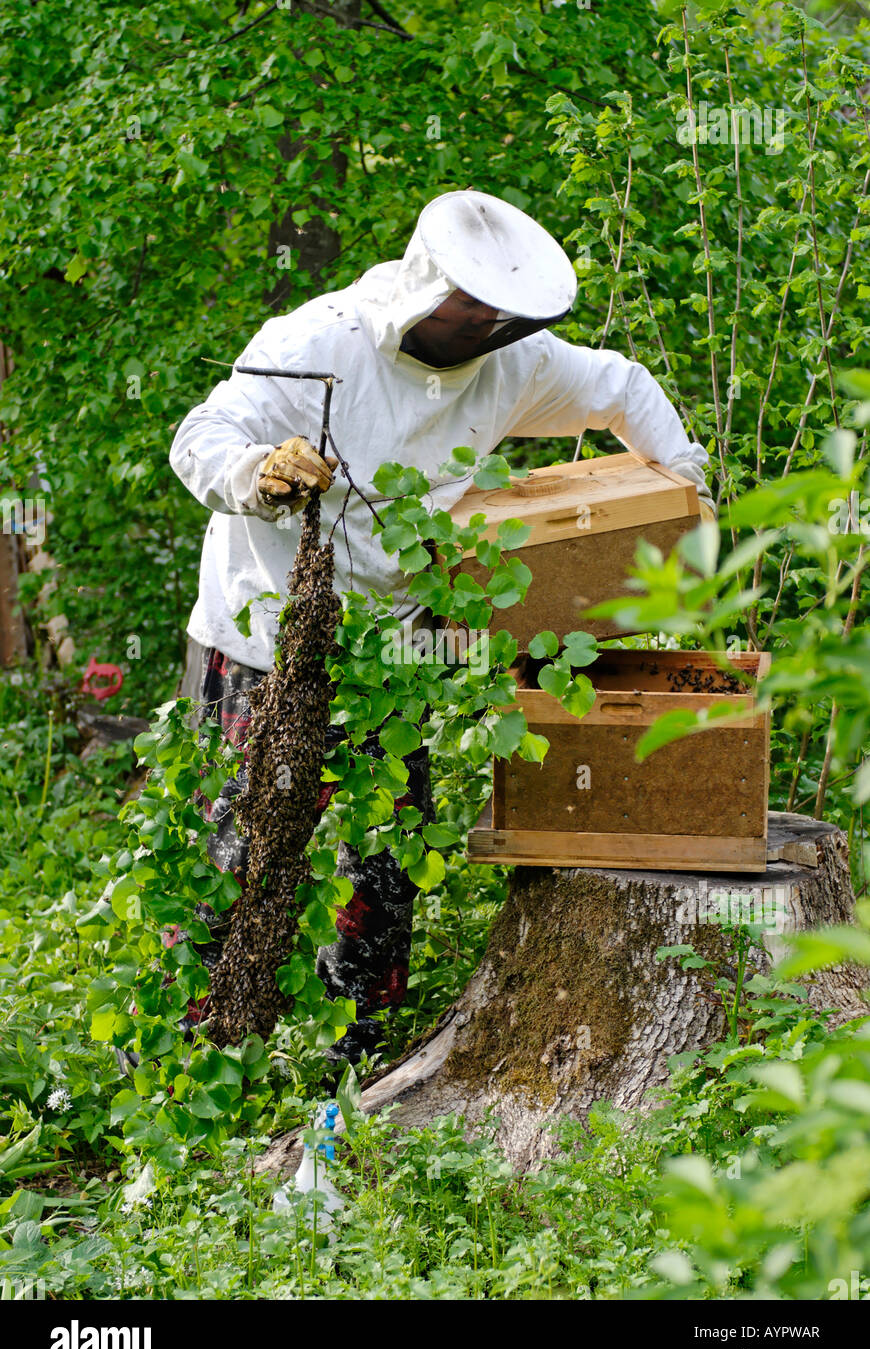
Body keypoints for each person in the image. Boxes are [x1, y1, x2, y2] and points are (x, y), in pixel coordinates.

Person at [169, 189, 715, 1063]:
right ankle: (186, 1055)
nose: (487, 321)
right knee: (239, 853)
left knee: (380, 867)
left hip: (390, 652)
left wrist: (683, 486)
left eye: (501, 311)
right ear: (426, 286)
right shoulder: (317, 341)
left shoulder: (517, 364)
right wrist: (256, 472)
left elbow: (622, 386)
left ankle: (357, 1065)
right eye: (471, 304)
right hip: (261, 637)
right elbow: (203, 431)